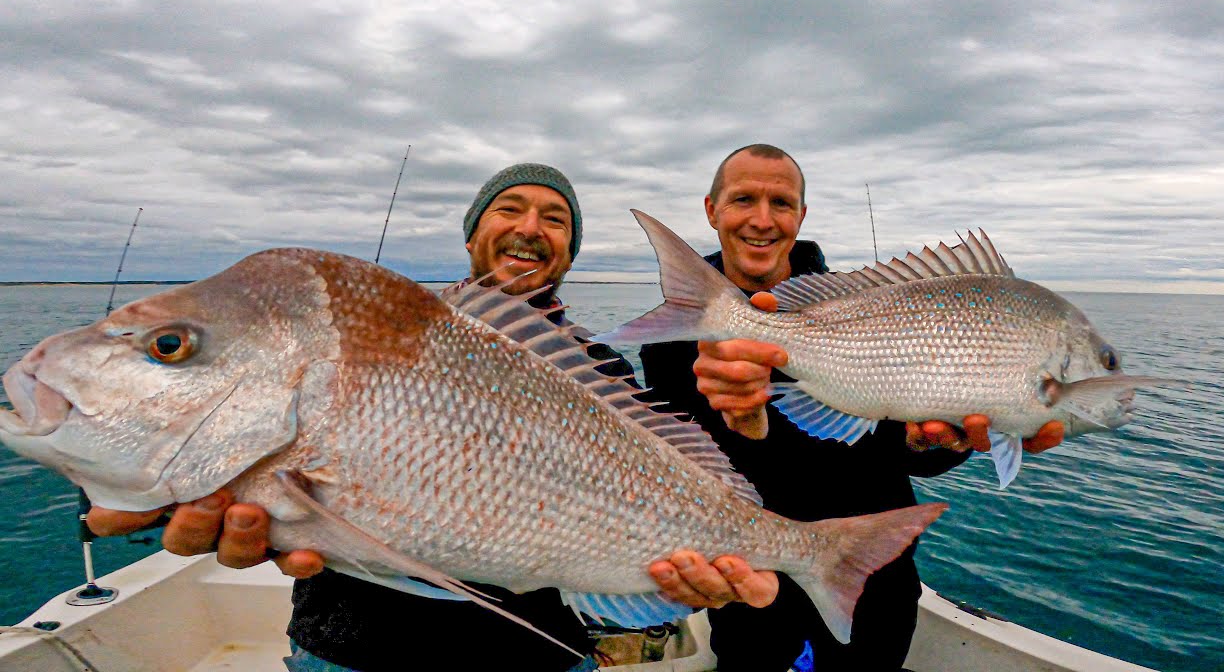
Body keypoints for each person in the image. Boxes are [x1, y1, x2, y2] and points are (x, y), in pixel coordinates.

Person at [86, 162, 777, 672]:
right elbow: (240, 446)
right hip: (351, 655)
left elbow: (671, 493)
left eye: (556, 218)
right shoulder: (367, 341)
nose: (531, 228)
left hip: (540, 659)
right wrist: (143, 489)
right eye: (510, 208)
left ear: (570, 248)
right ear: (474, 232)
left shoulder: (598, 370)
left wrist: (703, 556)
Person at [638, 144, 1065, 671]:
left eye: (782, 203)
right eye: (743, 199)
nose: (762, 220)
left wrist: (934, 441)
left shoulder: (868, 308)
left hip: (870, 575)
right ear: (712, 210)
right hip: (751, 576)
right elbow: (689, 464)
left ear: (802, 215)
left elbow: (910, 443)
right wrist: (746, 424)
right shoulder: (670, 341)